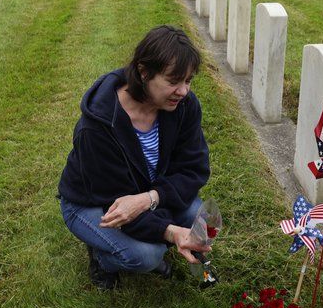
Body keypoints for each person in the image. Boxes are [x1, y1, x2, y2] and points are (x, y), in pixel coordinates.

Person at [58, 25, 211, 289]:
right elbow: (114, 203)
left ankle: (145, 237)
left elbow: (194, 170)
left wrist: (150, 199)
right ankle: (102, 258)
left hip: (143, 191)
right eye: (173, 81)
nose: (183, 91)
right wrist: (171, 232)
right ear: (143, 72)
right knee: (146, 256)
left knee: (199, 216)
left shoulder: (184, 106)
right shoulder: (98, 126)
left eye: (188, 80)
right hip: (93, 203)